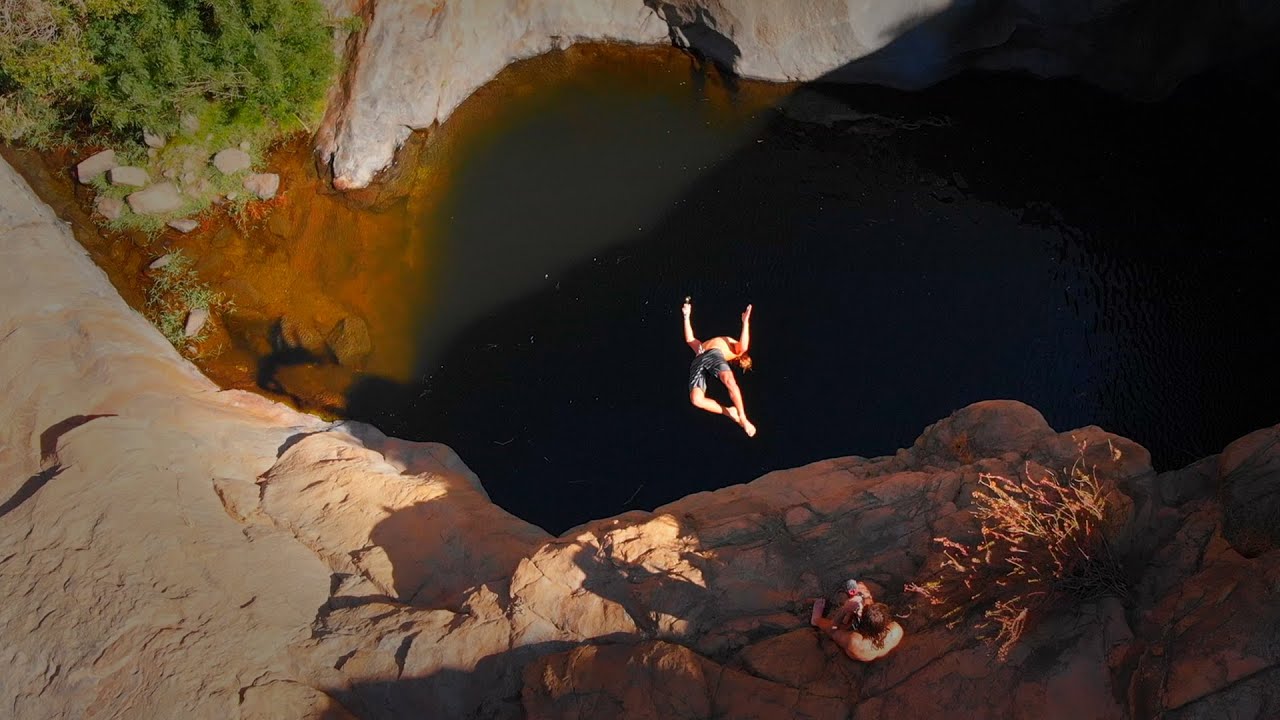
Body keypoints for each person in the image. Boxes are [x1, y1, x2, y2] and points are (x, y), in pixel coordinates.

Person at [682, 298, 756, 437]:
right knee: (696, 399)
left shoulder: (734, 351)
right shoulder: (707, 346)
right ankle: (729, 412)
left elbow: (744, 346)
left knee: (729, 381)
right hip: (699, 358)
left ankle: (743, 418)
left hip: (713, 355)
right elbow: (690, 339)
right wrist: (686, 316)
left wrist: (745, 322)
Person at [811, 596, 904, 662]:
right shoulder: (897, 630)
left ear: (861, 622)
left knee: (834, 627)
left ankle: (815, 620)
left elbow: (832, 630)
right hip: (875, 641)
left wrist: (844, 610)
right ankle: (861, 602)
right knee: (865, 597)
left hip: (861, 649)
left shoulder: (855, 641)